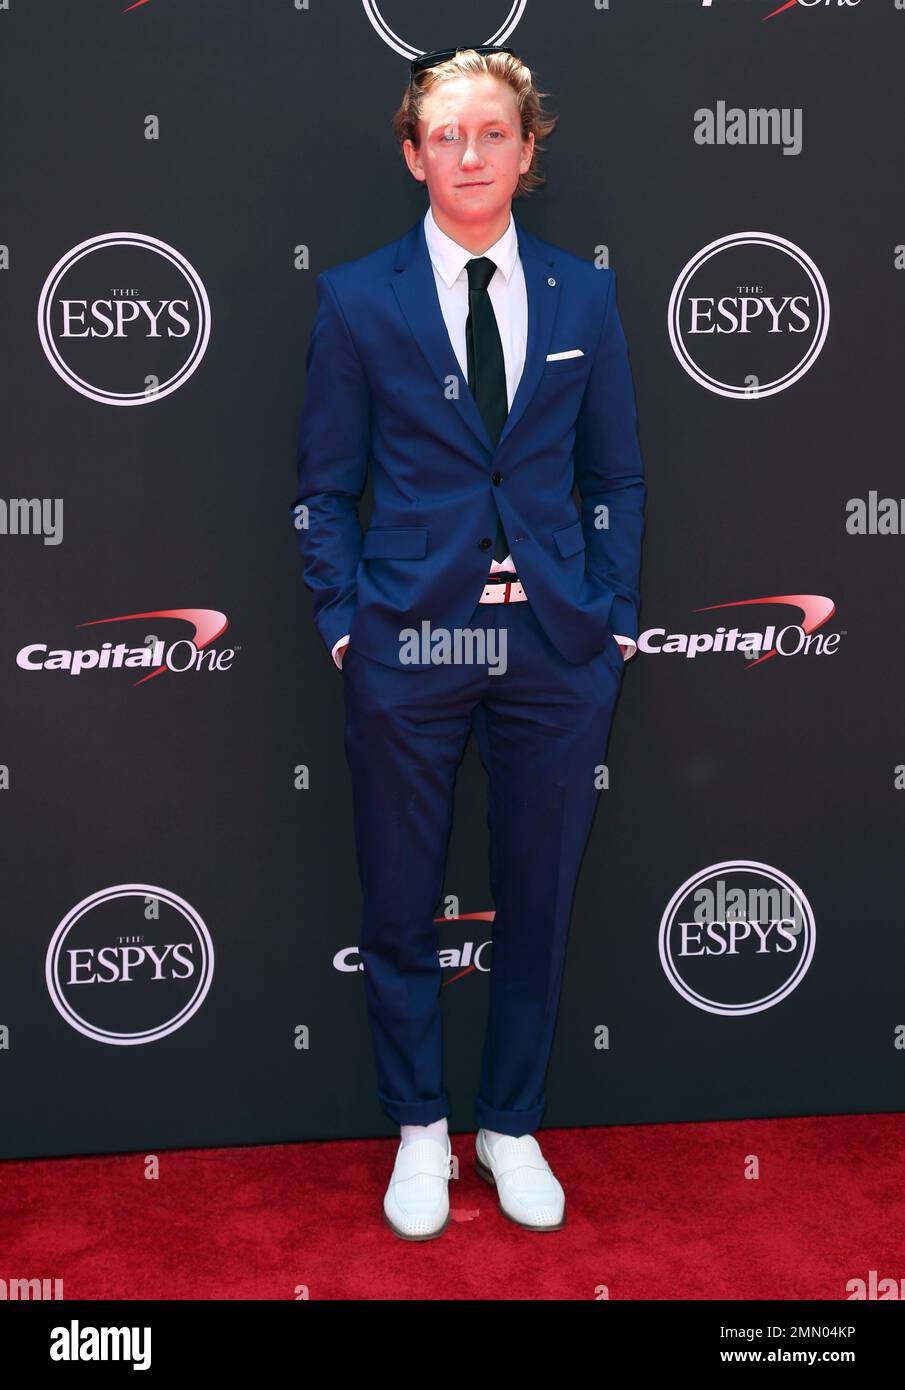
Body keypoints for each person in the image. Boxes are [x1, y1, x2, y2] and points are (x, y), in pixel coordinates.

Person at [291, 44, 645, 1240]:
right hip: (407, 646)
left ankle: (510, 1124)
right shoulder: (353, 299)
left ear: (527, 149)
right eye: (446, 136)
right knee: (397, 899)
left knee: (538, 897)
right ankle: (419, 1131)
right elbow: (322, 486)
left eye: (492, 132)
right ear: (412, 155)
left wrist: (611, 618)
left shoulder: (582, 297)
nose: (470, 154)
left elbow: (617, 473)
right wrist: (346, 626)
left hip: (554, 647)